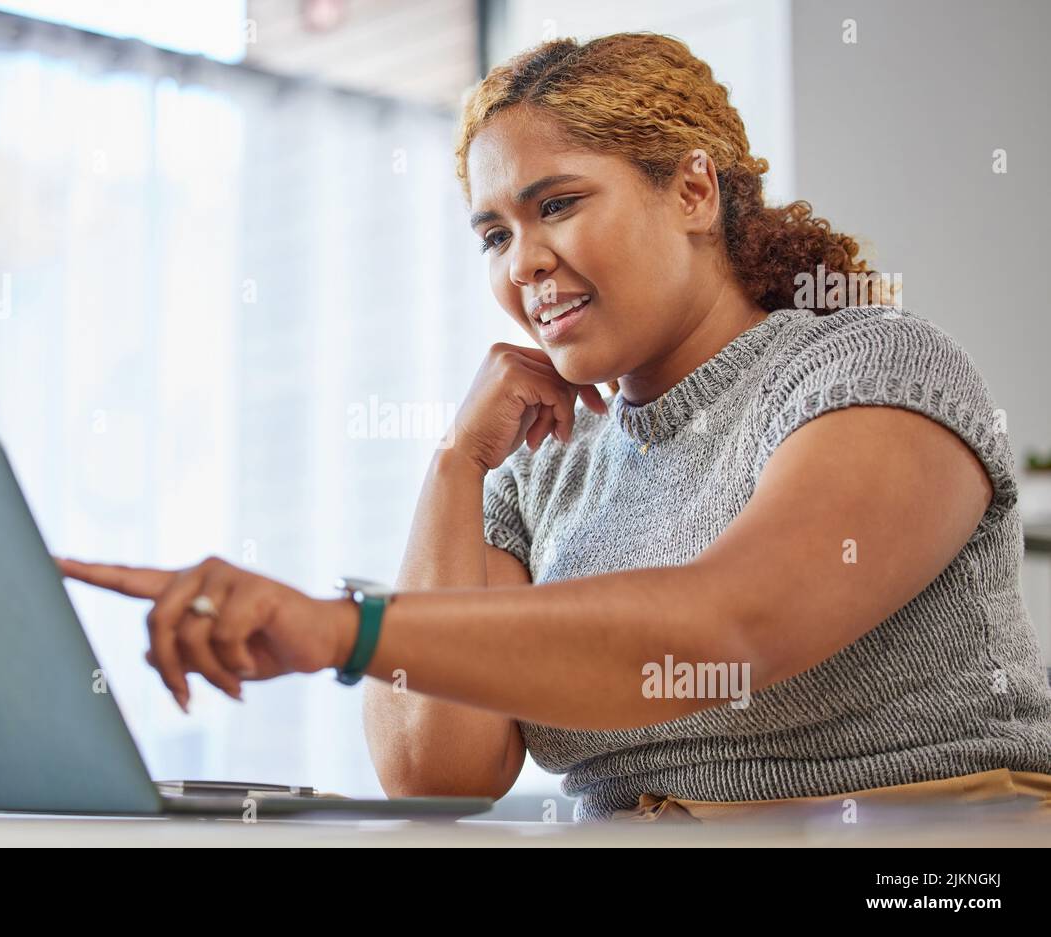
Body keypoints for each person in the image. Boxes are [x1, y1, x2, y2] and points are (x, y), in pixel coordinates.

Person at [58, 32, 1051, 824]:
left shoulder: (870, 364)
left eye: (558, 205)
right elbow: (436, 770)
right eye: (493, 233)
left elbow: (729, 626)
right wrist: (456, 467)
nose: (521, 263)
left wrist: (334, 629)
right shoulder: (534, 471)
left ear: (694, 191)